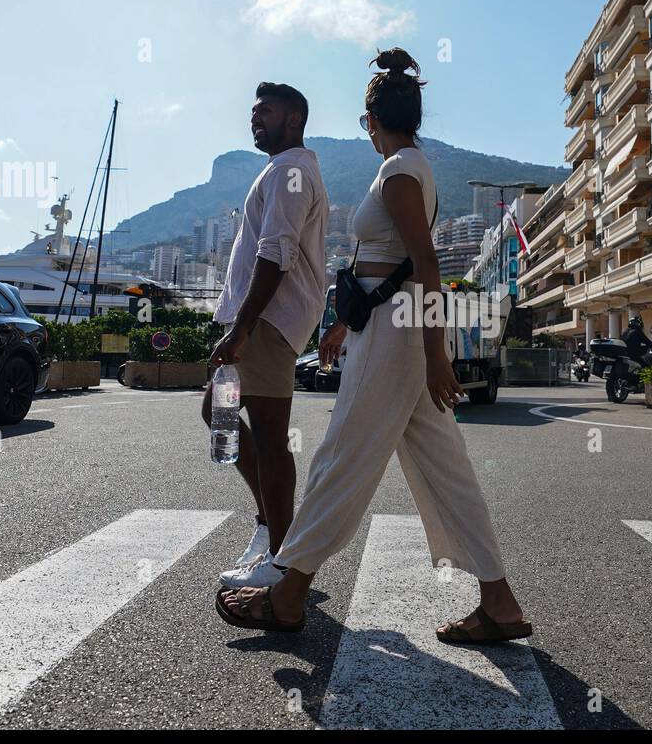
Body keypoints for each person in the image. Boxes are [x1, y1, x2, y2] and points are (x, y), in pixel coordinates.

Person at [217, 48, 532, 644]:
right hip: (387, 325)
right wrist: (346, 324)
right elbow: (394, 266)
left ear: (371, 121)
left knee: (342, 454)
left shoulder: (399, 173)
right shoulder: (413, 166)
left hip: (398, 335)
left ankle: (289, 591)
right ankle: (499, 601)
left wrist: (436, 354)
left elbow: (427, 265)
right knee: (446, 468)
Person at [204, 83, 330, 590]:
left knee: (270, 437)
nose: (255, 119)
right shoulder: (281, 169)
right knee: (218, 414)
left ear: (294, 118)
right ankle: (271, 530)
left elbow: (276, 251)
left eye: (266, 112)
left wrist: (242, 326)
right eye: (253, 112)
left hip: (267, 324)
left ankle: (280, 554)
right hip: (259, 323)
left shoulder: (291, 171)